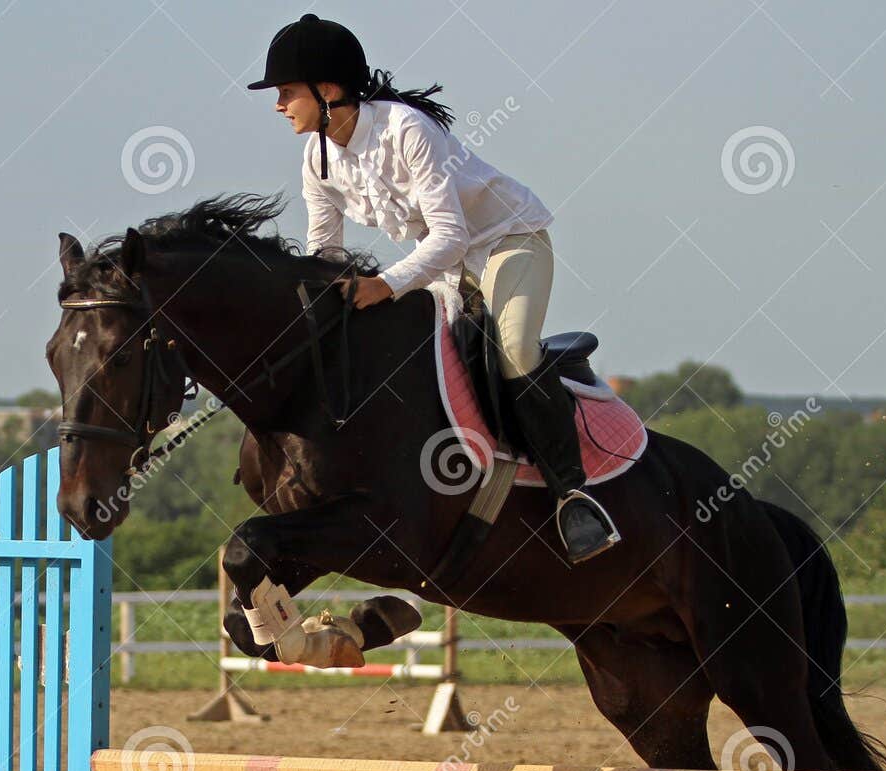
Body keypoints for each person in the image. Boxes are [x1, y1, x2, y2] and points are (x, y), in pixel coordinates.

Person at [248, 13, 620, 563]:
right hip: (446, 270)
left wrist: (384, 285)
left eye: (287, 92)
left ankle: (574, 496)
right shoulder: (317, 157)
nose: (279, 105)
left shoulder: (406, 130)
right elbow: (324, 253)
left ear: (327, 90)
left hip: (507, 243)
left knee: (513, 350)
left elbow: (451, 234)